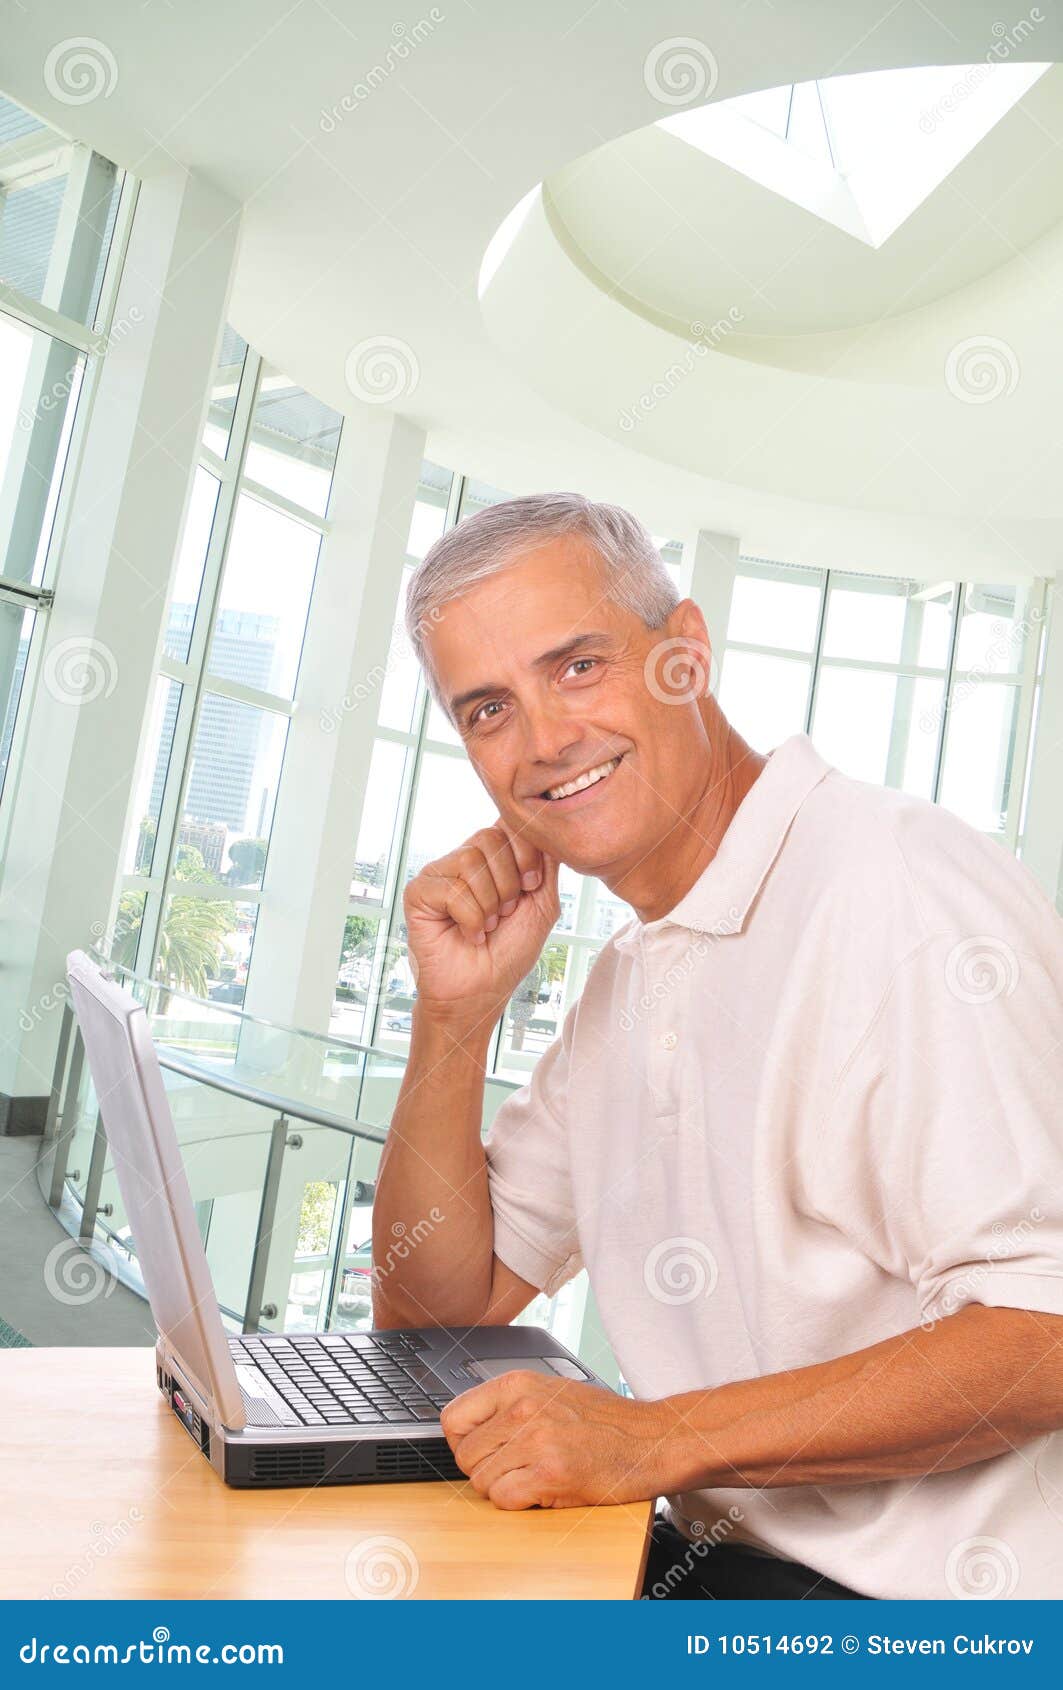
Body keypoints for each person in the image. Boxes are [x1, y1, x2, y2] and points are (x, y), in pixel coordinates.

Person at [372, 492, 1063, 1600]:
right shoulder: (630, 975)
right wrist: (452, 1021)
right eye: (488, 709)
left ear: (684, 654)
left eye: (578, 665)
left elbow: (1045, 1329)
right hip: (717, 1575)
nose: (546, 739)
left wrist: (648, 1440)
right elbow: (433, 1311)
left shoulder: (901, 890)